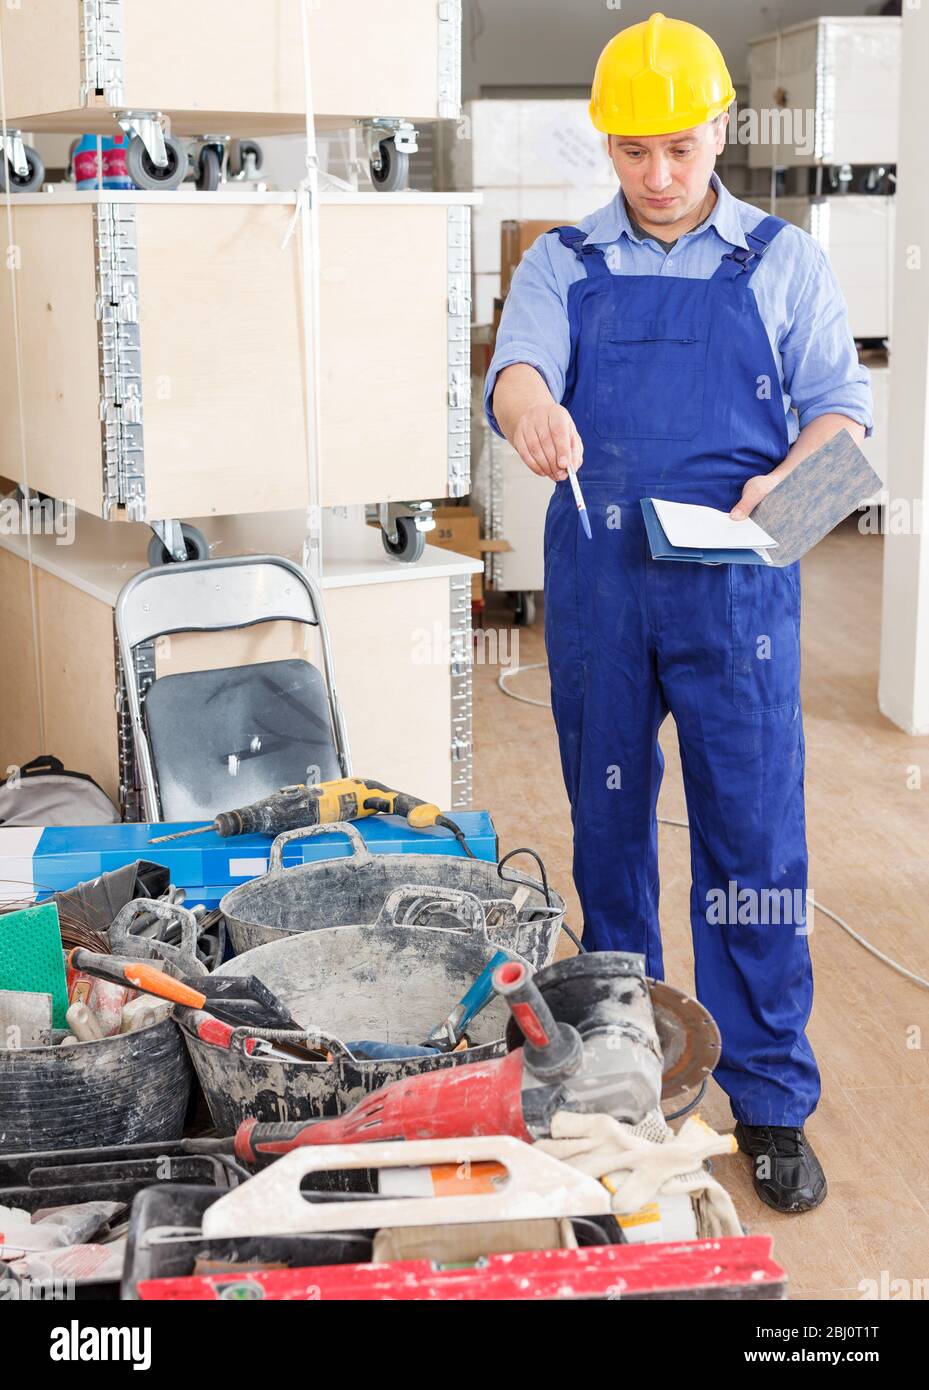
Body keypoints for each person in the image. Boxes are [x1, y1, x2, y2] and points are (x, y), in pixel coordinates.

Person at [485, 12, 873, 1213]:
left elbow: (843, 438)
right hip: (602, 588)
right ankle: (624, 1080)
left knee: (752, 850)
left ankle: (767, 1100)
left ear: (719, 131)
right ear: (605, 146)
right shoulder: (563, 263)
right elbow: (515, 372)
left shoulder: (785, 263)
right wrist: (528, 409)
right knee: (606, 844)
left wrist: (784, 490)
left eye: (678, 150)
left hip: (738, 593)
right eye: (632, 153)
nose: (658, 178)